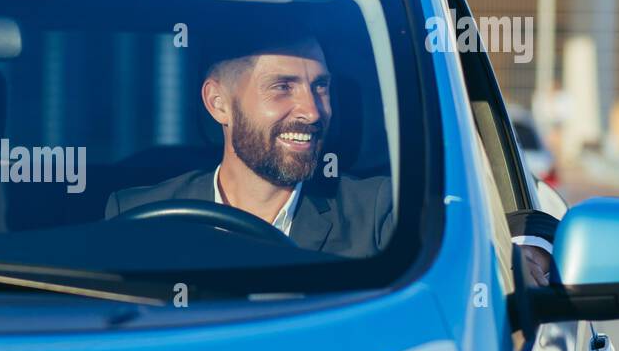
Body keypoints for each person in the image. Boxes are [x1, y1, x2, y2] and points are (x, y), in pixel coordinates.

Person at [104, 36, 556, 282]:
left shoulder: (382, 212)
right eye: (282, 87)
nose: (313, 110)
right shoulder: (138, 216)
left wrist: (526, 242)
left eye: (320, 86)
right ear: (219, 104)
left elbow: (477, 227)